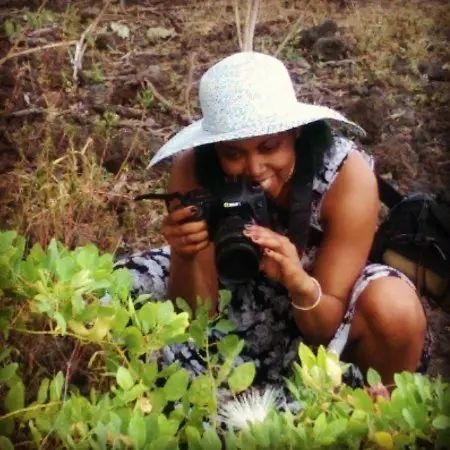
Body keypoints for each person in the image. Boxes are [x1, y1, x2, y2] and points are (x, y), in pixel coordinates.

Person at [116, 51, 431, 388]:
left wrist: (298, 282)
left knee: (393, 308)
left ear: (295, 130)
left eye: (269, 146)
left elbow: (324, 327)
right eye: (234, 153)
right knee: (114, 289)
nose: (254, 168)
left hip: (319, 299)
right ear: (215, 148)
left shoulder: (346, 176)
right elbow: (197, 319)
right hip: (230, 294)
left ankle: (368, 410)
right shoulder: (195, 170)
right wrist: (186, 253)